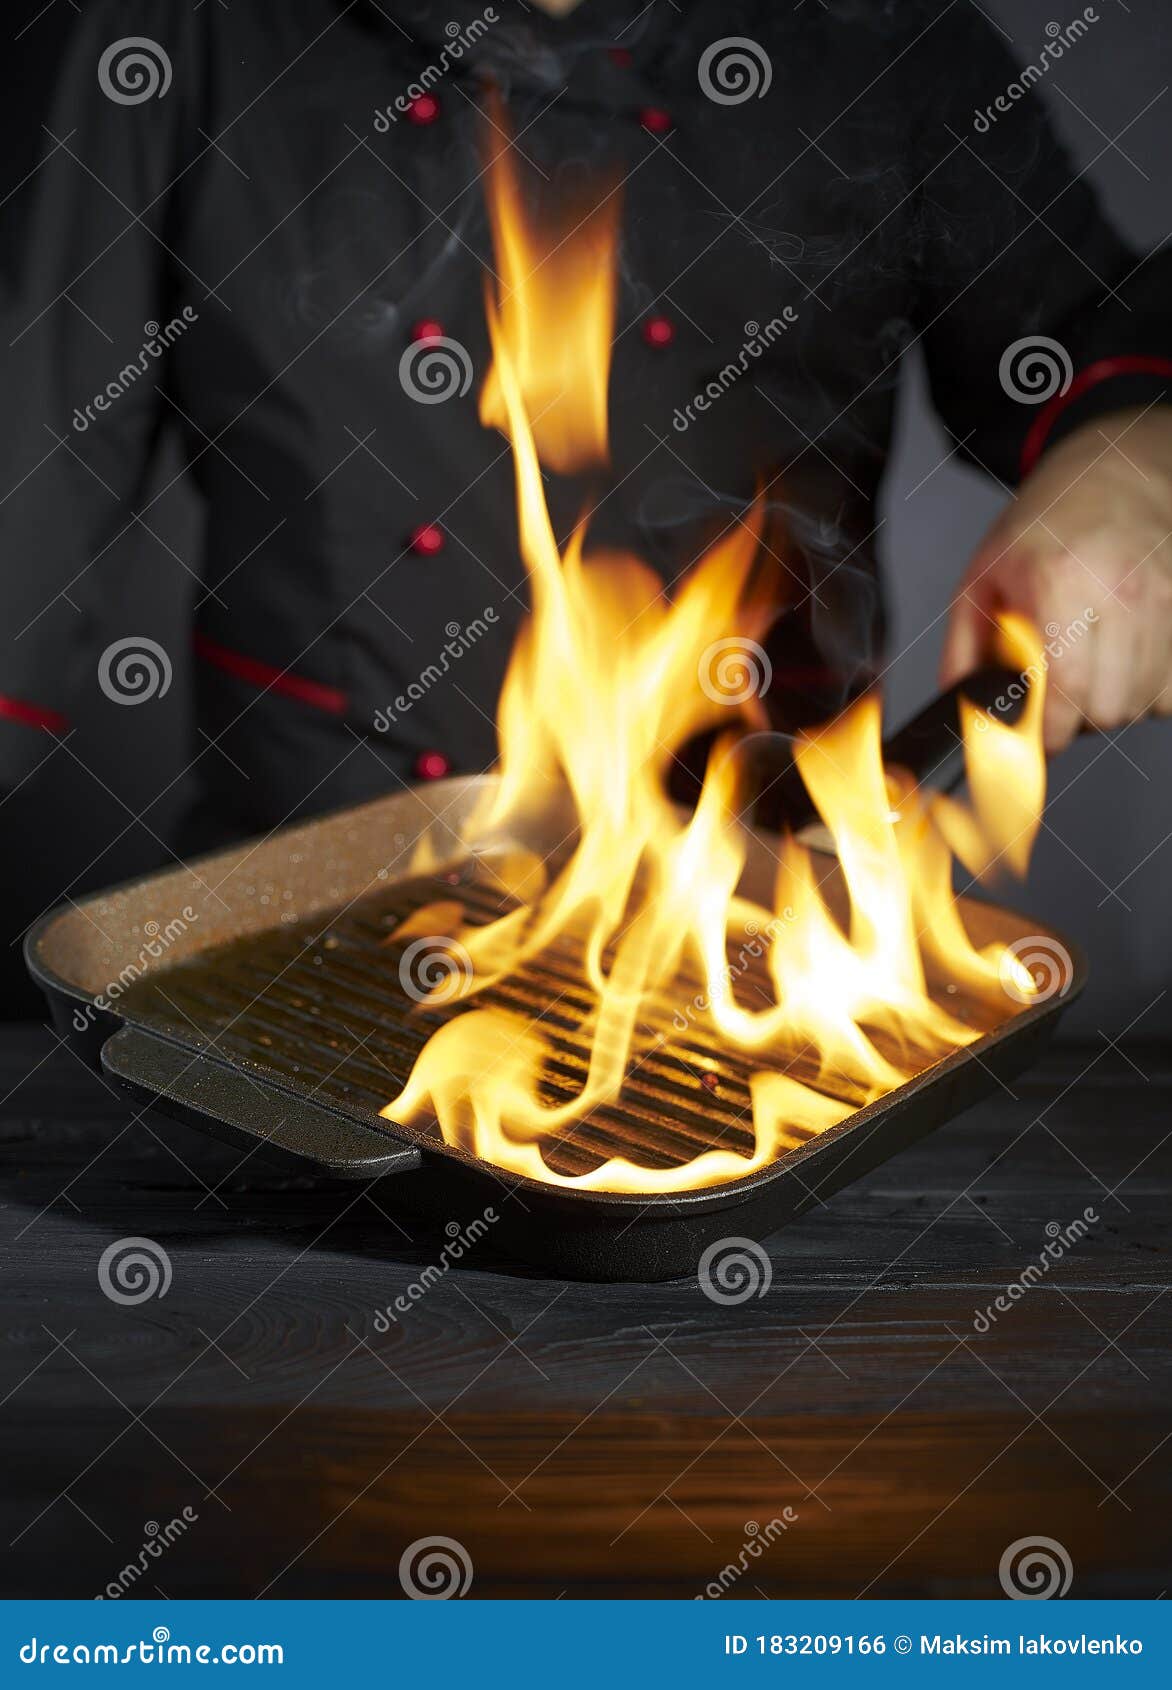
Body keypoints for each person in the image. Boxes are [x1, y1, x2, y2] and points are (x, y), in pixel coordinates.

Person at [1, 1, 1169, 941]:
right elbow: (26, 482)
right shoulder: (175, 29)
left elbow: (1090, 337)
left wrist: (1129, 466)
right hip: (290, 934)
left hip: (757, 940)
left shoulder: (882, 32)